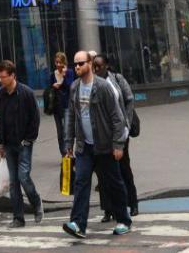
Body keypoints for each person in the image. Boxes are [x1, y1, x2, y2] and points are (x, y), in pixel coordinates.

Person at [61, 50, 129, 239]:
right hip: (84, 146)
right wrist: (69, 142)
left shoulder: (103, 87)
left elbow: (117, 118)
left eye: (81, 63)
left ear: (89, 63)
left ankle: (124, 219)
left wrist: (118, 145)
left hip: (105, 145)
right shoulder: (74, 87)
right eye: (75, 64)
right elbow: (72, 116)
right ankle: (77, 224)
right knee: (81, 182)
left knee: (113, 183)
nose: (77, 67)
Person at [0, 58, 43, 230]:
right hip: (8, 143)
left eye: (4, 76)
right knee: (14, 182)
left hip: (24, 143)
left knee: (23, 176)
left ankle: (36, 202)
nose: (1, 80)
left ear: (13, 75)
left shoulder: (26, 93)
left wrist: (29, 139)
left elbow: (35, 118)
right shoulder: (0, 95)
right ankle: (18, 218)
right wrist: (0, 143)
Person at [92, 54, 138, 220]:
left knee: (124, 169)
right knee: (103, 174)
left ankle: (132, 203)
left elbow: (129, 99)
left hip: (120, 132)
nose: (96, 69)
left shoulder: (117, 79)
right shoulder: (92, 84)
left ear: (107, 66)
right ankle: (108, 209)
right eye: (94, 67)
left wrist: (127, 122)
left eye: (99, 66)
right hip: (101, 135)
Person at [49, 52, 74, 156]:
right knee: (60, 132)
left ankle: (69, 152)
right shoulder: (52, 74)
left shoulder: (69, 72)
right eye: (56, 62)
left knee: (67, 130)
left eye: (60, 62)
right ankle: (63, 154)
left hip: (67, 104)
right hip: (56, 106)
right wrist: (53, 86)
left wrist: (63, 77)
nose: (58, 64)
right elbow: (49, 89)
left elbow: (70, 86)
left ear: (64, 62)